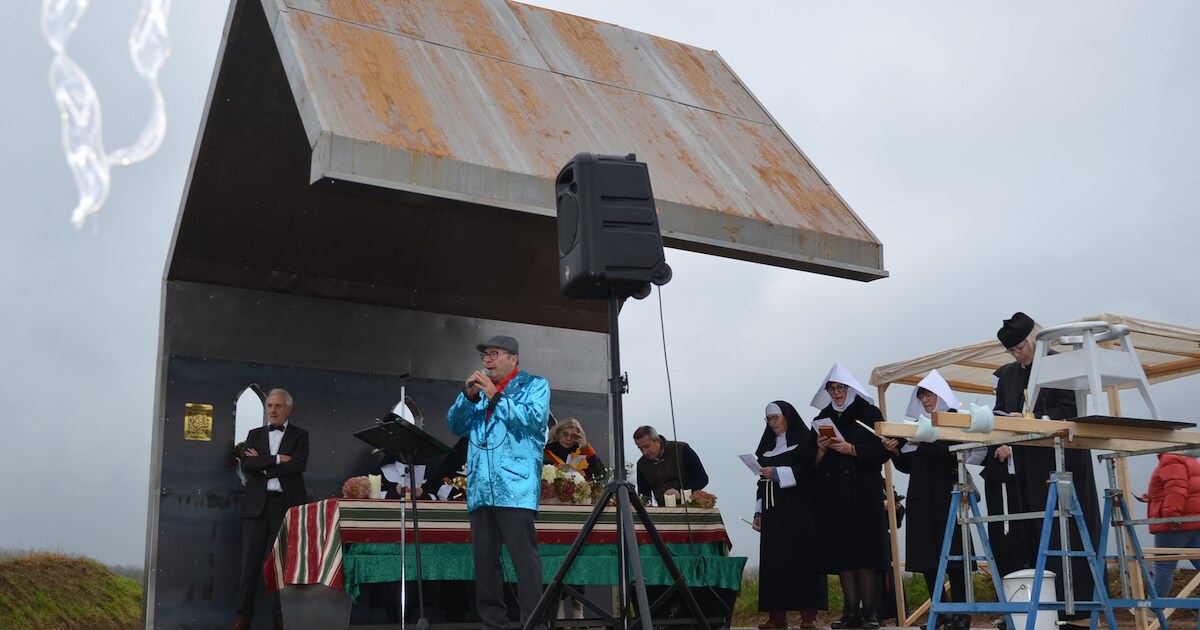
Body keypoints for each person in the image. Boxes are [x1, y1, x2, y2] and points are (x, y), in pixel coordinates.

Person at [986, 311, 1103, 624]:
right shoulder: (1009, 374)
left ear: (1034, 338)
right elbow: (1003, 416)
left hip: (1062, 462)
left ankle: (1075, 611)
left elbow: (1069, 412)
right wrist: (1007, 436)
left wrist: (1030, 421)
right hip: (1026, 467)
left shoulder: (1060, 365)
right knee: (1034, 534)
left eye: (1020, 347)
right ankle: (1039, 612)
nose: (1017, 354)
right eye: (1011, 351)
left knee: (1066, 535)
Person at [447, 334, 551, 630]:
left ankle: (535, 622)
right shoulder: (477, 392)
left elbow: (534, 420)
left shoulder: (535, 385)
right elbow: (455, 425)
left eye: (494, 354)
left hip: (515, 488)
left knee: (524, 561)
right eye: (484, 356)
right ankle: (493, 623)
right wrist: (467, 397)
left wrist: (496, 396)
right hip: (480, 488)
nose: (487, 360)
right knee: (485, 563)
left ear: (513, 359)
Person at [883, 369, 971, 630]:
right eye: (921, 395)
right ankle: (941, 612)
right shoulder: (919, 425)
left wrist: (925, 441)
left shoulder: (955, 420)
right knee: (926, 558)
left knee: (955, 556)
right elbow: (908, 466)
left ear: (941, 395)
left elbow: (951, 455)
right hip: (920, 497)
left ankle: (961, 614)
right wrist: (896, 451)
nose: (926, 400)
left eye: (930, 394)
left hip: (948, 495)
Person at [806, 363, 891, 630]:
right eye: (831, 389)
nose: (836, 393)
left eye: (840, 387)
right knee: (844, 555)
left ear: (850, 388)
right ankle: (851, 612)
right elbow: (809, 461)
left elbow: (883, 450)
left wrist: (851, 449)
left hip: (864, 493)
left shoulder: (869, 412)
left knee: (865, 554)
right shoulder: (823, 417)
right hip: (835, 498)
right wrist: (820, 450)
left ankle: (872, 613)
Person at [229, 389, 310, 630]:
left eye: (278, 406)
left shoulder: (300, 436)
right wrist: (277, 459)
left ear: (289, 409)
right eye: (270, 406)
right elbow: (248, 462)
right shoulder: (254, 434)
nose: (273, 410)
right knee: (249, 565)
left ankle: (281, 621)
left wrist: (263, 466)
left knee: (282, 565)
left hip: (284, 507)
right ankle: (243, 618)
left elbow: (298, 465)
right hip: (256, 508)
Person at [752, 401, 827, 629]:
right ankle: (777, 616)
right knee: (774, 562)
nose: (773, 423)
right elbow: (761, 482)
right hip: (773, 511)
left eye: (776, 417)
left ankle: (808, 615)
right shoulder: (765, 448)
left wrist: (777, 473)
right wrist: (758, 512)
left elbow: (809, 472)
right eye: (769, 419)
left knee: (804, 560)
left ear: (788, 417)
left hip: (800, 509)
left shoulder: (805, 443)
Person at [1144, 450, 1200, 597]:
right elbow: (1189, 487)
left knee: (1164, 564)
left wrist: (1172, 514)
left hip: (1176, 523)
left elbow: (1176, 488)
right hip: (1194, 520)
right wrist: (1153, 498)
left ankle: (1154, 608)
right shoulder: (1189, 459)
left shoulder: (1171, 458)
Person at [634, 425, 709, 506]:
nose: (644, 452)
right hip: (663, 511)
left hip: (690, 506)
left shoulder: (682, 449)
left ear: (657, 441)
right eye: (640, 448)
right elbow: (644, 495)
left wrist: (680, 492)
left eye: (647, 446)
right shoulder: (641, 464)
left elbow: (702, 478)